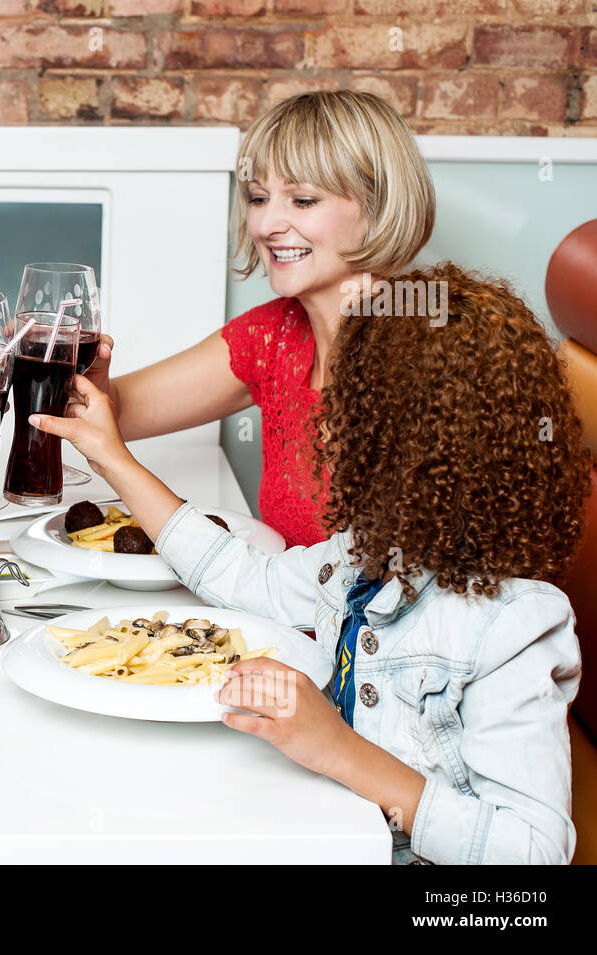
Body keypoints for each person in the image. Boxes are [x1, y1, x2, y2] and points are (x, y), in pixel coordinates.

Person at [33, 262, 590, 863]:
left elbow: (534, 856)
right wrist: (112, 457)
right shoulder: (368, 552)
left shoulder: (511, 627)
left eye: (349, 411)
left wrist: (334, 748)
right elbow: (246, 578)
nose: (323, 424)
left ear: (411, 449)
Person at [89, 90, 436, 547]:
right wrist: (85, 376)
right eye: (258, 198)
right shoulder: (272, 336)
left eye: (303, 200)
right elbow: (118, 411)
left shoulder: (433, 360)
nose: (266, 224)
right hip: (281, 615)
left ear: (379, 205)